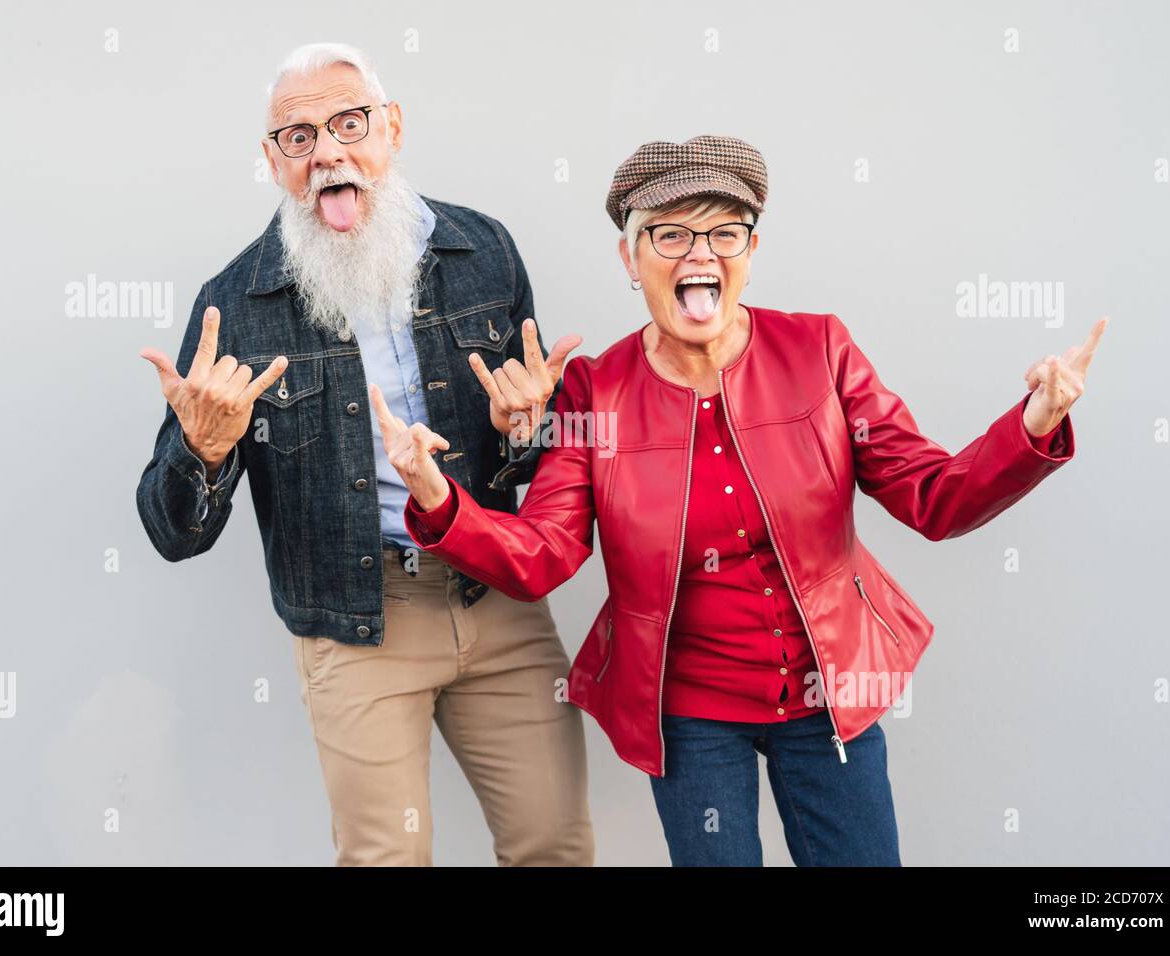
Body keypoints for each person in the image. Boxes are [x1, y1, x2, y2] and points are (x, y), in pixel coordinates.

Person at [374, 134, 1105, 866]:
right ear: (631, 259)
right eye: (671, 234)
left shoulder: (820, 350)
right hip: (690, 714)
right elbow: (544, 553)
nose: (701, 254)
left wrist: (1032, 425)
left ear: (750, 252)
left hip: (828, 695)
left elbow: (935, 498)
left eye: (725, 232)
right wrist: (439, 500)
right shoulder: (597, 389)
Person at [135, 42, 591, 866]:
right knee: (384, 859)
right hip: (356, 619)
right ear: (271, 162)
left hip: (498, 595)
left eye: (349, 122)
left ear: (394, 128)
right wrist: (201, 452)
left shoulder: (485, 250)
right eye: (298, 136)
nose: (328, 152)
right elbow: (174, 534)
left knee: (556, 844)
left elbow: (544, 462)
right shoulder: (234, 305)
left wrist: (531, 433)